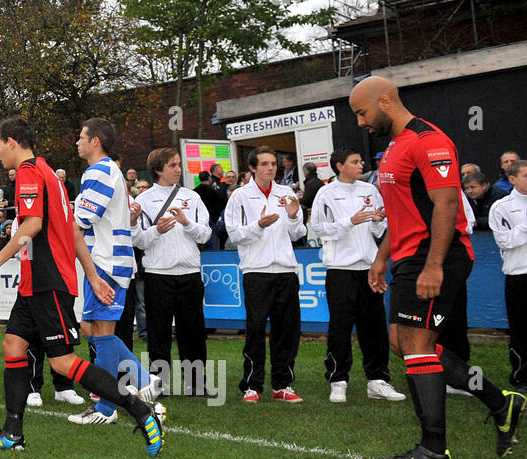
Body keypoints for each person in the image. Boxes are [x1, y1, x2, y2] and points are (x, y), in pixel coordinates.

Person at [350, 76, 524, 459]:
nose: (360, 122)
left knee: (416, 347)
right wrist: (382, 257)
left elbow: (445, 205)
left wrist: (433, 266)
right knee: (403, 342)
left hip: (437, 255)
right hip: (410, 257)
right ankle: (501, 402)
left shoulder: (430, 140)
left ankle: (432, 449)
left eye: (362, 113)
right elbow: (403, 212)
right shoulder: (395, 146)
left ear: (384, 101)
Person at [0, 116, 163, 454]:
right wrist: (90, 275)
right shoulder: (46, 171)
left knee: (62, 362)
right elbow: (70, 228)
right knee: (13, 345)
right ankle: (12, 433)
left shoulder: (29, 172)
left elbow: (32, 225)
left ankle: (138, 408)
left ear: (13, 142)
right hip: (35, 282)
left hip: (48, 280)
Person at [68, 118, 161, 426]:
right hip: (112, 259)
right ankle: (141, 383)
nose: (77, 142)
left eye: (82, 137)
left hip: (106, 261)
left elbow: (80, 222)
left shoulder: (98, 171)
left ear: (96, 141)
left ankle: (109, 406)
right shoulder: (111, 172)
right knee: (95, 331)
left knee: (101, 333)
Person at [309, 148, 405, 404]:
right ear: (340, 166)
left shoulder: (370, 190)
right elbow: (318, 229)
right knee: (340, 328)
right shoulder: (326, 193)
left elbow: (378, 229)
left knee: (374, 326)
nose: (360, 165)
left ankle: (378, 380)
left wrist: (376, 220)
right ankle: (338, 381)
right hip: (340, 270)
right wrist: (349, 221)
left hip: (369, 268)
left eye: (361, 161)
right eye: (354, 162)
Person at [224, 145, 305, 404]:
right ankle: (252, 385)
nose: (271, 168)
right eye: (265, 164)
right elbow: (234, 235)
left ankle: (282, 384)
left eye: (274, 163)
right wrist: (257, 226)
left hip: (285, 270)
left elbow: (298, 233)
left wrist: (293, 218)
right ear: (252, 167)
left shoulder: (286, 193)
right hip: (256, 271)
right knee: (256, 330)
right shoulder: (239, 196)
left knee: (287, 331)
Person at [131, 148, 211, 397]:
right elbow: (138, 240)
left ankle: (196, 385)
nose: (178, 169)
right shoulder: (143, 201)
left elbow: (206, 235)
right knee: (158, 333)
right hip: (158, 274)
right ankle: (159, 385)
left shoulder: (192, 197)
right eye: (172, 165)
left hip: (189, 273)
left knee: (193, 333)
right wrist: (158, 230)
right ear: (158, 170)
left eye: (178, 164)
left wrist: (187, 223)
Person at [487, 159, 526, 391]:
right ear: (512, 179)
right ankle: (522, 377)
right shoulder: (502, 207)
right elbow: (505, 241)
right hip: (520, 275)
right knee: (521, 329)